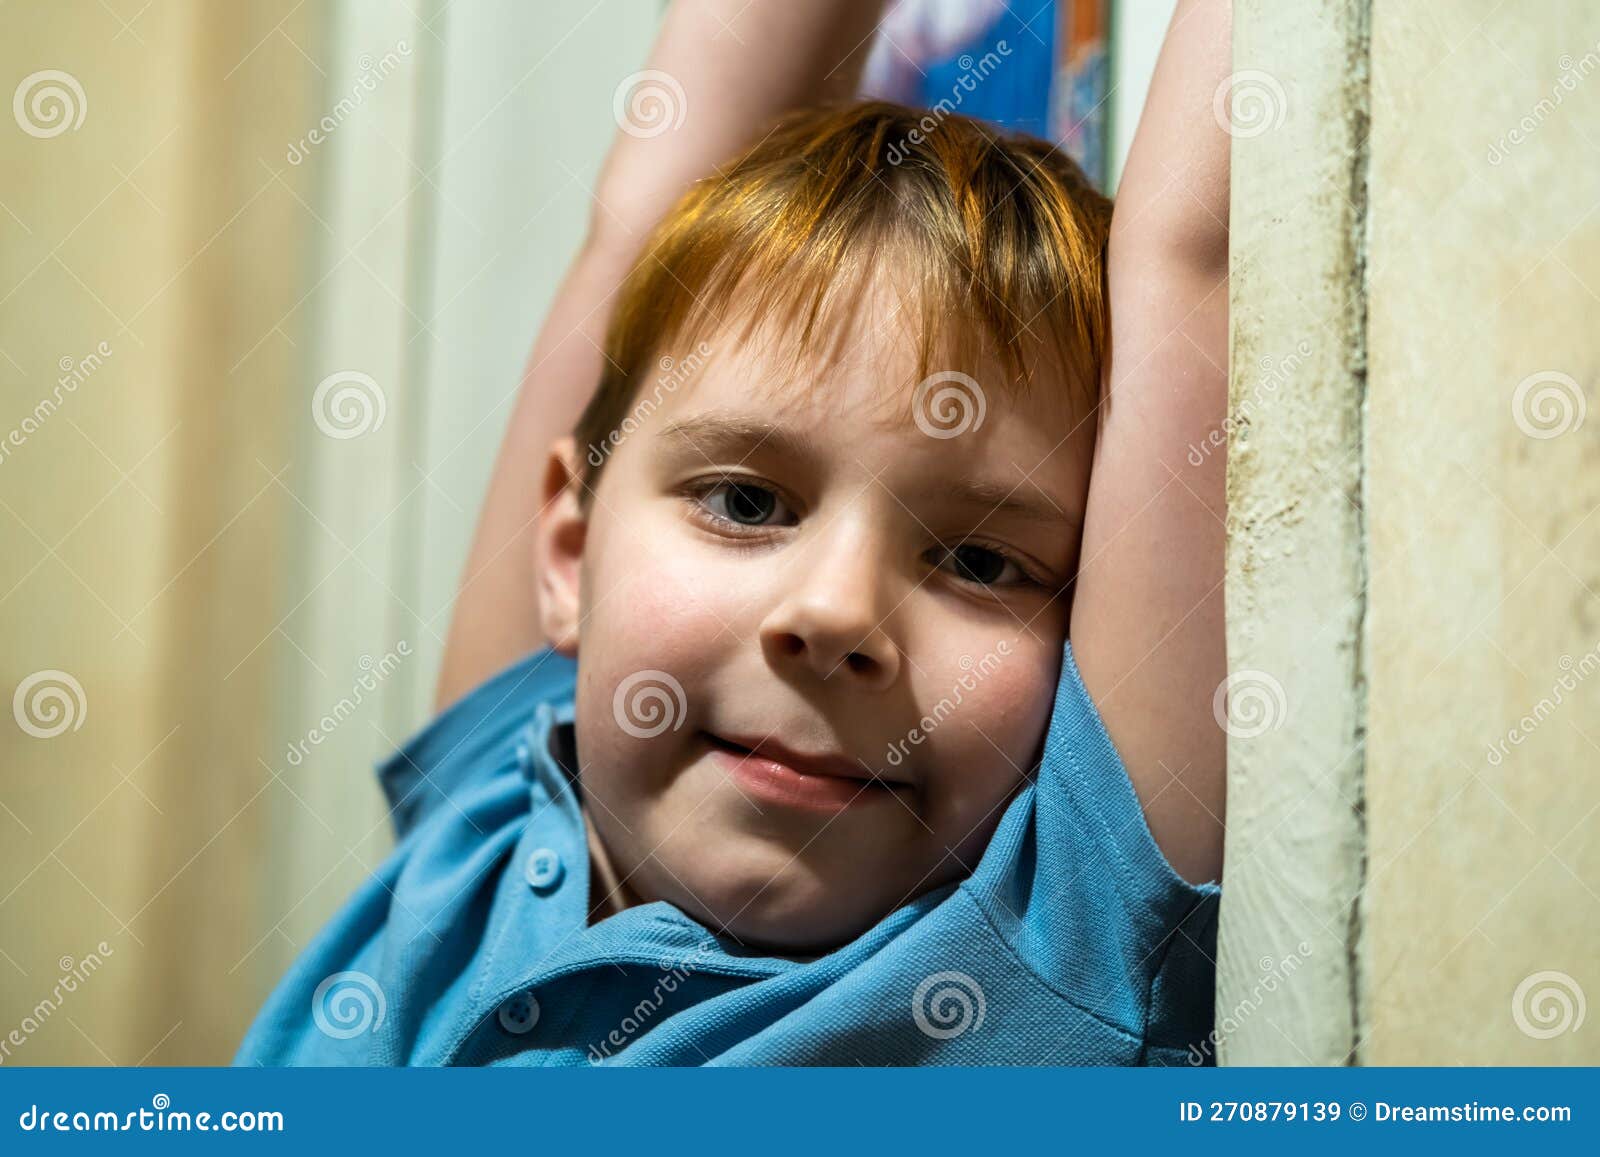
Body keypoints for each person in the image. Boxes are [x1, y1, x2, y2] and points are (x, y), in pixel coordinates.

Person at [237, 0, 1229, 1065]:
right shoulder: (489, 807)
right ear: (570, 559)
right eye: (746, 503)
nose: (835, 611)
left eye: (979, 561)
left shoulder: (1067, 935)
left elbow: (1198, 258)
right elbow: (643, 216)